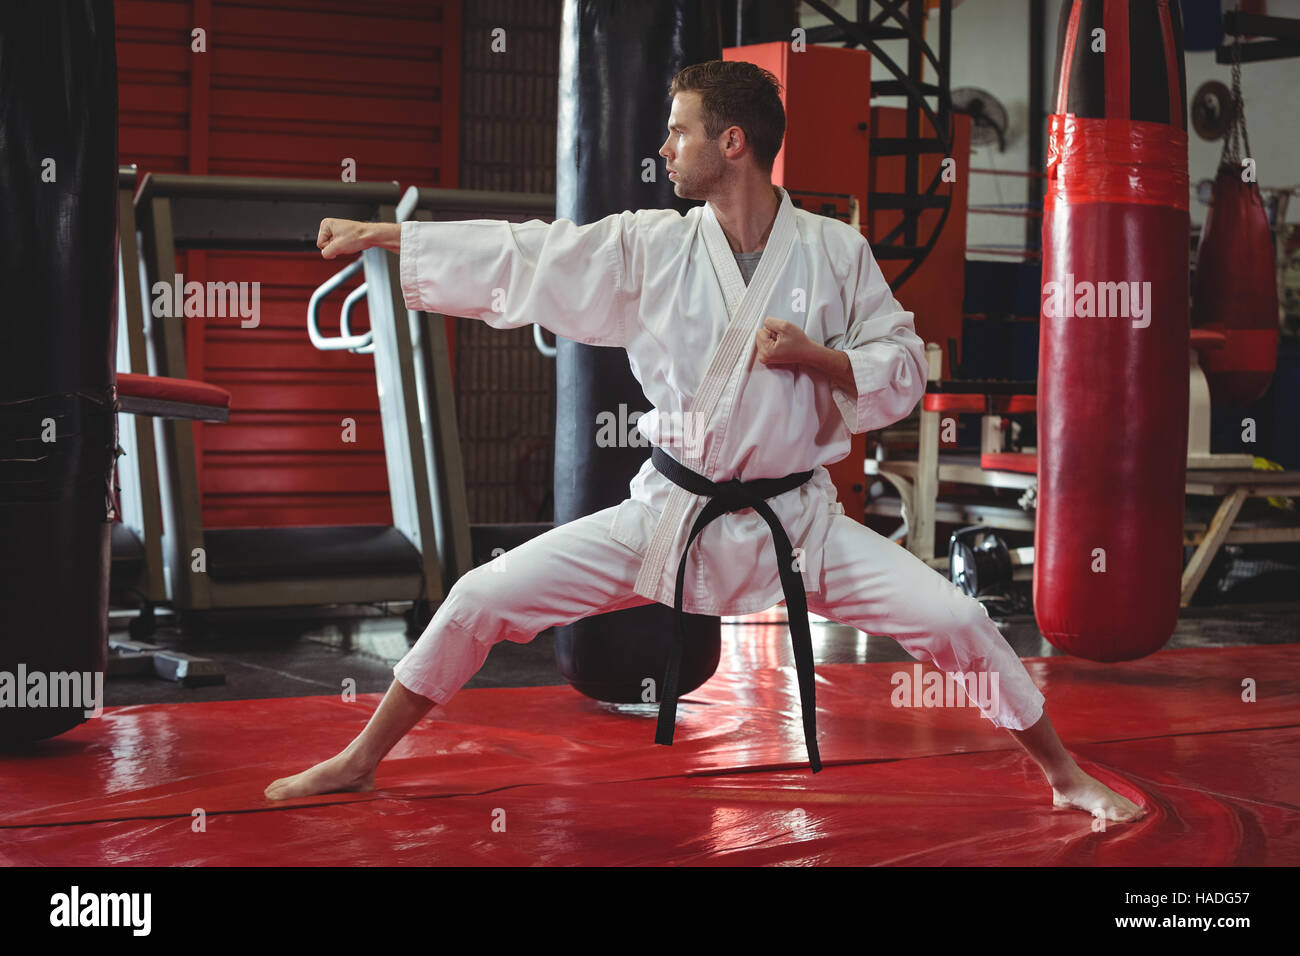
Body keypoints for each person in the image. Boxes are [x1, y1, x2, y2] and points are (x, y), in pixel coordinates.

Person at [266, 60, 1143, 823]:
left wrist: (819, 358)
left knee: (956, 618)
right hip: (670, 513)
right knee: (476, 599)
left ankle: (1063, 775)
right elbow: (529, 255)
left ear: (733, 143)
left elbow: (904, 365)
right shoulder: (653, 245)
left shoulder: (836, 252)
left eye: (679, 131)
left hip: (800, 525)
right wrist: (392, 237)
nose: (664, 148)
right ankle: (359, 759)